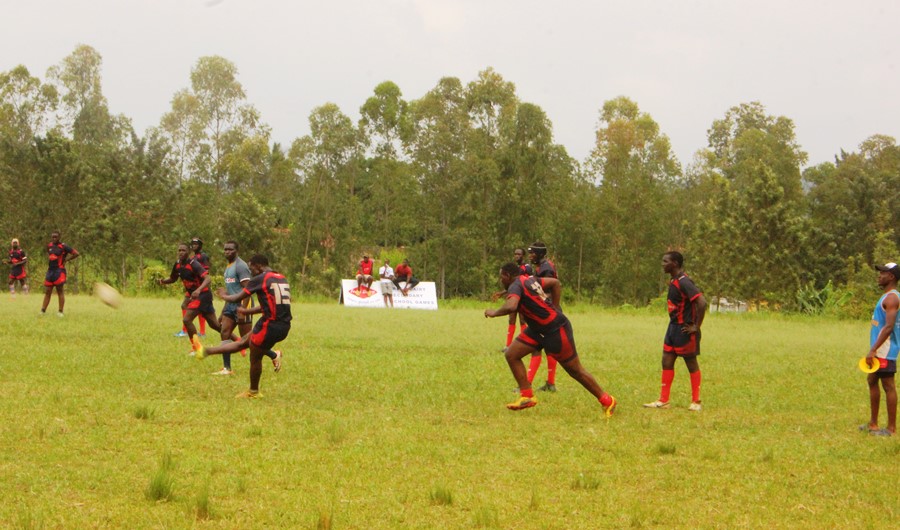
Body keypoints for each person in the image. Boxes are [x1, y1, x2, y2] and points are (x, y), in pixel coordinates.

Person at [485, 262, 617, 416]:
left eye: (501, 277)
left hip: (555, 329)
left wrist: (494, 312)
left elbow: (512, 306)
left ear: (508, 276)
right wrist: (555, 306)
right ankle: (527, 396)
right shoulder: (529, 279)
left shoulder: (515, 285)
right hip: (537, 330)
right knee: (512, 354)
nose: (501, 281)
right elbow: (555, 283)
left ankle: (608, 400)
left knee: (575, 370)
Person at [193, 254, 291, 398]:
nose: (250, 271)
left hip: (270, 325)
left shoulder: (260, 278)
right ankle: (205, 351)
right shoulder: (281, 277)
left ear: (258, 266)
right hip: (282, 324)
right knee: (243, 342)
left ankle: (253, 392)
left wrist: (224, 295)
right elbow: (269, 305)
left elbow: (237, 297)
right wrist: (247, 310)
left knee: (255, 356)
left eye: (251, 267)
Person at [644, 251, 707, 411]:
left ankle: (696, 402)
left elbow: (701, 301)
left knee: (690, 362)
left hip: (685, 329)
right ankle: (663, 400)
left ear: (675, 264)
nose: (663, 264)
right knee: (666, 360)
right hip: (672, 328)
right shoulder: (674, 280)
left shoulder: (684, 282)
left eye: (666, 261)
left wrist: (696, 326)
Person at [157, 242, 221, 350]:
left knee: (187, 319)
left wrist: (198, 290)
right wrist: (163, 281)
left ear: (189, 252)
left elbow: (208, 278)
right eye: (179, 250)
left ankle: (196, 348)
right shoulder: (177, 264)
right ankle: (239, 341)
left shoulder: (194, 264)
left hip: (203, 294)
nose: (181, 252)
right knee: (215, 325)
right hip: (198, 296)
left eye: (184, 250)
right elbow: (173, 278)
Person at [861, 262, 899, 436]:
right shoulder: (886, 297)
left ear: (891, 277)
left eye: (883, 273)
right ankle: (873, 424)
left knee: (888, 385)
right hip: (879, 349)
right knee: (872, 380)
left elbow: (889, 326)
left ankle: (891, 429)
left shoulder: (892, 298)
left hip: (885, 349)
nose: (879, 276)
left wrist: (873, 349)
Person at [213, 240, 253, 376]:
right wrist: (223, 312)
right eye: (225, 249)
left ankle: (273, 354)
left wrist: (243, 309)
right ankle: (227, 368)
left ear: (237, 251)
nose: (227, 252)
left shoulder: (241, 266)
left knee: (248, 339)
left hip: (242, 304)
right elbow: (230, 292)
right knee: (224, 332)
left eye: (230, 249)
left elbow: (248, 289)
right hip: (230, 305)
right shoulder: (228, 267)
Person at [524, 241, 560, 392]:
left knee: (537, 347)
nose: (530, 255)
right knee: (544, 348)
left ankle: (528, 384)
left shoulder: (546, 268)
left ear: (539, 254)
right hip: (544, 311)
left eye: (532, 253)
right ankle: (549, 384)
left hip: (546, 313)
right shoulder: (540, 266)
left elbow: (551, 290)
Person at [175, 237, 210, 337]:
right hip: (192, 287)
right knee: (185, 305)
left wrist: (201, 286)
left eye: (196, 244)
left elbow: (206, 272)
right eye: (193, 244)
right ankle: (185, 330)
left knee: (198, 309)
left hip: (200, 287)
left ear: (200, 246)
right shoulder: (192, 257)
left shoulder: (203, 256)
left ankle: (201, 332)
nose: (194, 246)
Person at [40, 231, 79, 316]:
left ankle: (60, 311)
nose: (54, 238)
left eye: (56, 237)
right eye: (53, 237)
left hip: (59, 271)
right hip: (50, 271)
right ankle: (43, 311)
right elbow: (50, 255)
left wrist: (67, 260)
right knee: (48, 291)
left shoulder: (63, 246)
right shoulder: (49, 246)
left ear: (59, 237)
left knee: (59, 290)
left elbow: (76, 253)